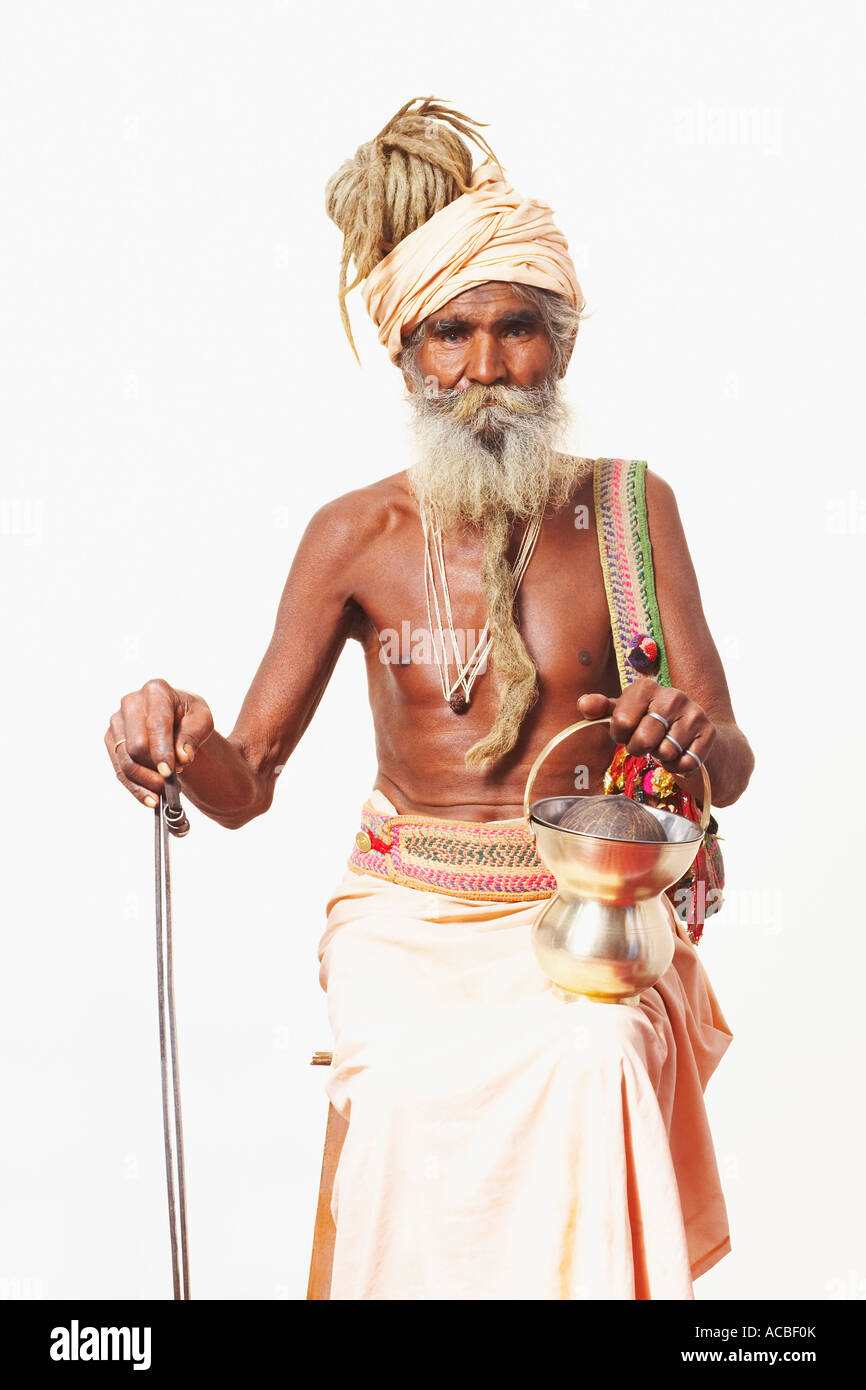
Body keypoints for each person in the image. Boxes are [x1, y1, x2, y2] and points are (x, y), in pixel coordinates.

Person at [105, 97, 755, 1300]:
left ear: (558, 345)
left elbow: (730, 758)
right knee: (398, 1093)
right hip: (404, 914)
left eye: (516, 330)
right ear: (406, 355)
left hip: (586, 919)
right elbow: (244, 780)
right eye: (449, 334)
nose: (483, 370)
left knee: (601, 1056)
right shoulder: (354, 535)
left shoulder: (626, 510)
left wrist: (686, 740)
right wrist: (178, 736)